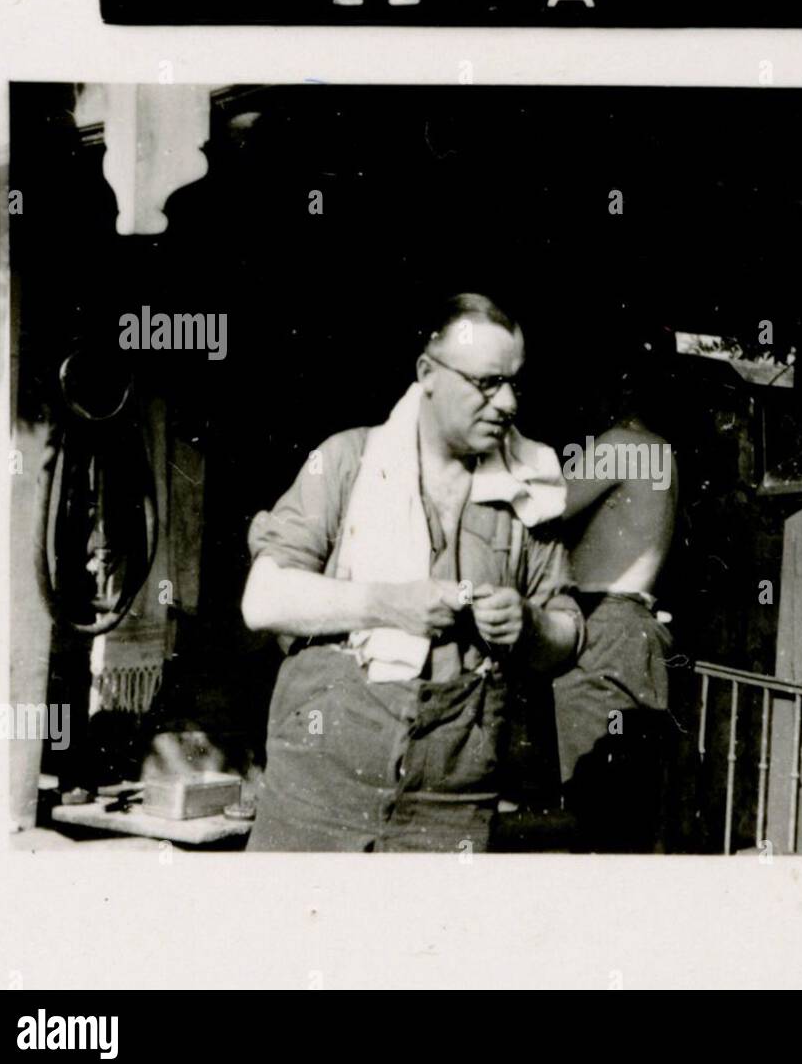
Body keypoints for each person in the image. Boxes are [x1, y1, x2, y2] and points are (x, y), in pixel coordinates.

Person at [241, 293, 583, 852]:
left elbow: (567, 637)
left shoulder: (529, 491)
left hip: (449, 802)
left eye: (515, 383)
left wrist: (529, 625)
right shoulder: (347, 461)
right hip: (318, 789)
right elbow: (263, 600)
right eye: (487, 382)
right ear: (428, 373)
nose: (508, 402)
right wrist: (386, 604)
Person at [553, 356, 679, 852]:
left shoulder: (622, 445)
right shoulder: (662, 452)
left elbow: (546, 504)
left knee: (587, 798)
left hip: (604, 623)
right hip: (635, 625)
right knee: (624, 802)